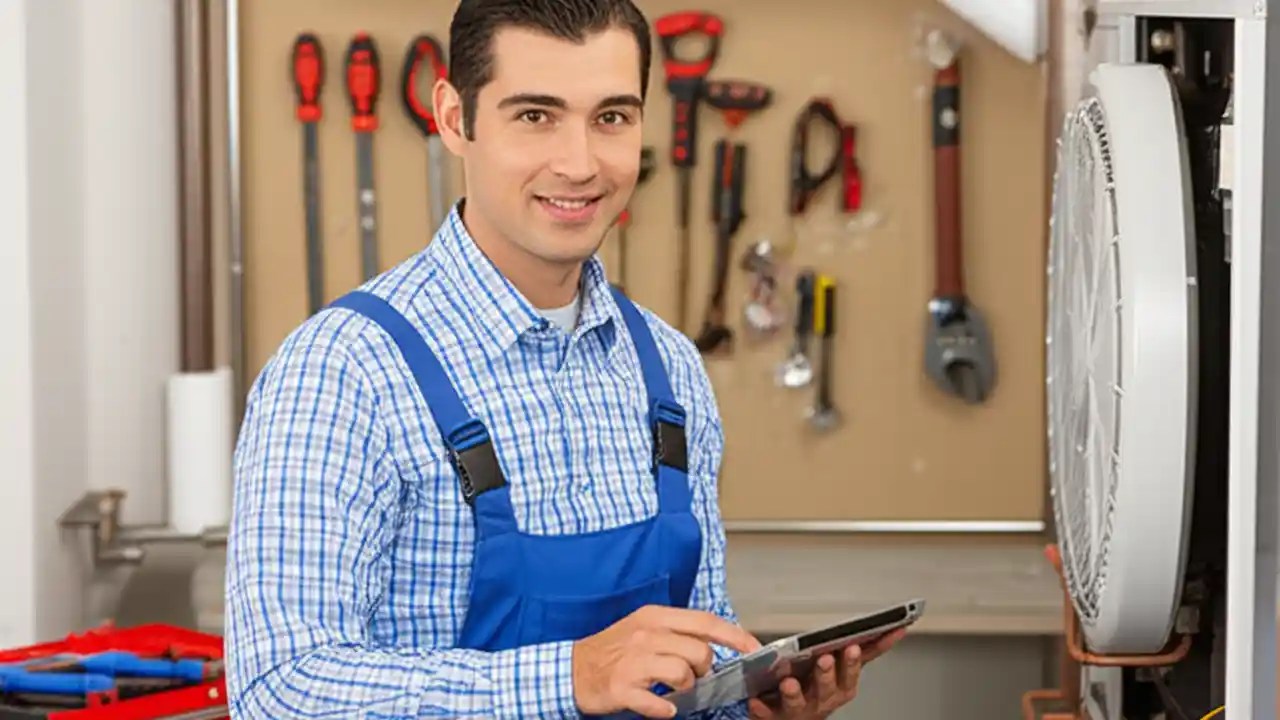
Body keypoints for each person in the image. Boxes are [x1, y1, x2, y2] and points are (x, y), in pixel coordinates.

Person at [223, 1, 904, 718]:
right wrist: (571, 676)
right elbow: (278, 691)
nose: (580, 164)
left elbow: (687, 661)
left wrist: (746, 706)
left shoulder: (668, 368)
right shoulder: (341, 372)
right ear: (455, 119)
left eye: (611, 118)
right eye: (535, 116)